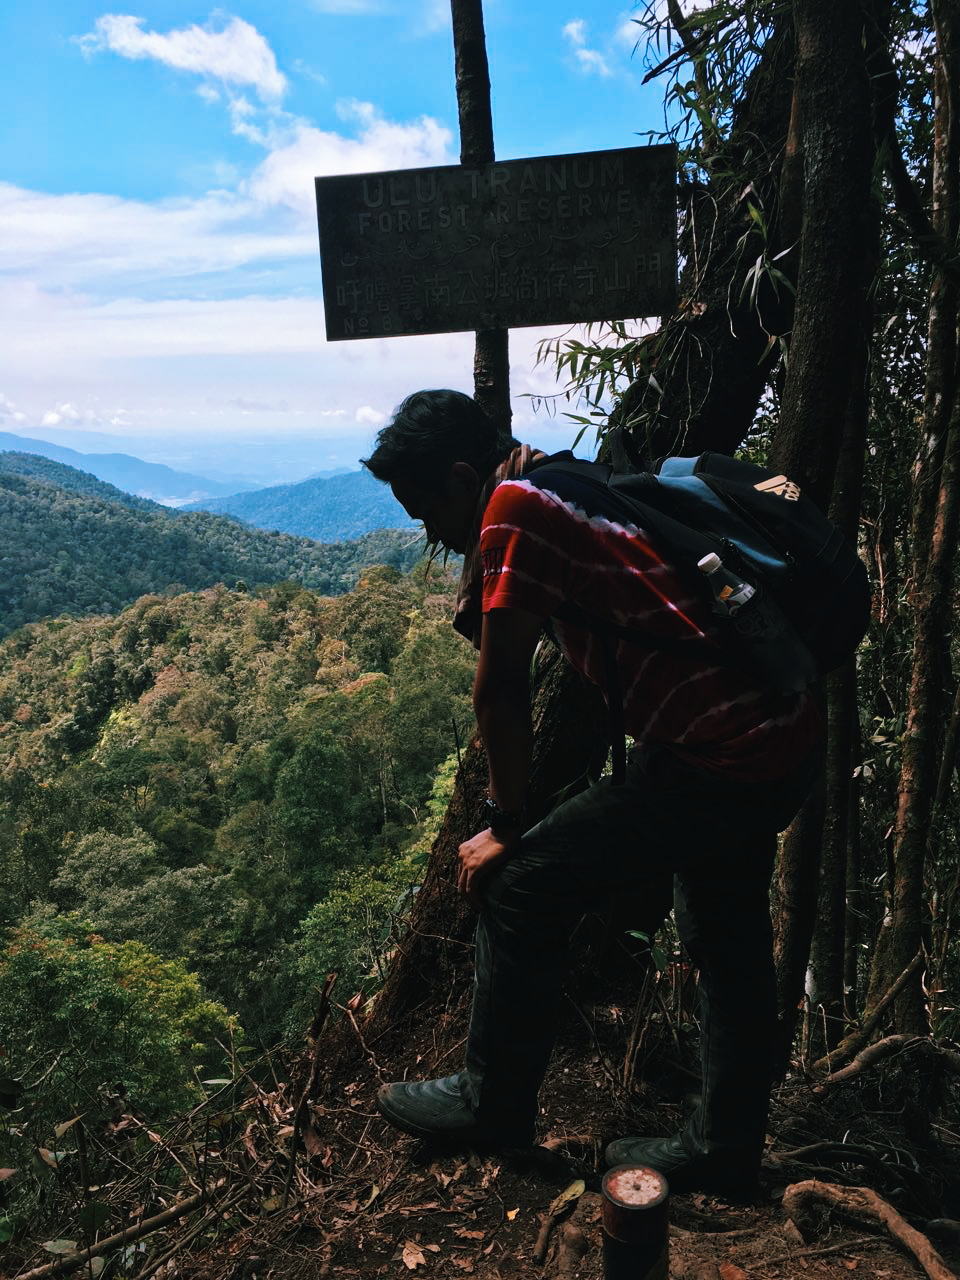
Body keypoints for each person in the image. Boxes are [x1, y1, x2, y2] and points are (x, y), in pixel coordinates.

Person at [361, 388, 821, 1196]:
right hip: (774, 732)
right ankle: (726, 1147)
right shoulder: (558, 481)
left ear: (463, 475)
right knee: (727, 933)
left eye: (422, 506)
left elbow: (498, 690)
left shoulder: (512, 508)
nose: (424, 530)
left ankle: (489, 1103)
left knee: (523, 888)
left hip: (715, 753)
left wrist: (507, 822)